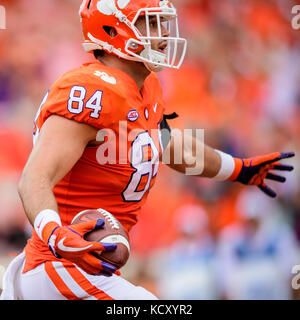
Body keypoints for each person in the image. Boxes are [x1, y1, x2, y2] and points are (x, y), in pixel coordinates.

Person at [0, 0, 295, 300]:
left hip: (85, 272)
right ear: (112, 29)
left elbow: (169, 146)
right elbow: (34, 178)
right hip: (59, 267)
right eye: (151, 23)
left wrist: (239, 169)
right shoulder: (91, 90)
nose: (163, 33)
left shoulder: (147, 87)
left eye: (162, 23)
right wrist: (56, 235)